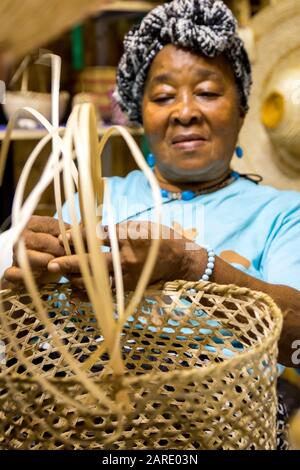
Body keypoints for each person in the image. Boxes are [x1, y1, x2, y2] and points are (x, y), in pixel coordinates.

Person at [2, 0, 300, 449]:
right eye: (163, 96)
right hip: (90, 432)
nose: (184, 111)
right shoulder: (97, 200)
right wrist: (27, 270)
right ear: (140, 115)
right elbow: (35, 335)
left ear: (242, 107)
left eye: (207, 91)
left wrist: (192, 265)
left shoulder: (281, 213)